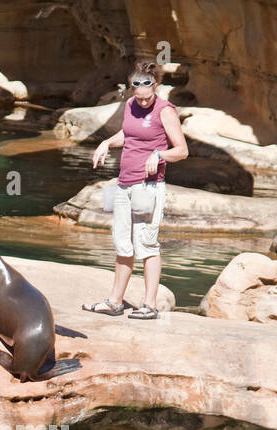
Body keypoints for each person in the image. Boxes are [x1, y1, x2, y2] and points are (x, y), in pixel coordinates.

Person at [82, 59, 188, 320]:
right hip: (124, 184)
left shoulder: (165, 111)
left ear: (156, 87)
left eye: (147, 98)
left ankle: (149, 304)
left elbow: (182, 150)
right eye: (138, 97)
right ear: (132, 89)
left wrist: (160, 155)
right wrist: (107, 142)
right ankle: (115, 302)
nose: (142, 102)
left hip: (148, 187)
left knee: (146, 244)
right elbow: (128, 134)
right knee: (122, 243)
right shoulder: (130, 105)